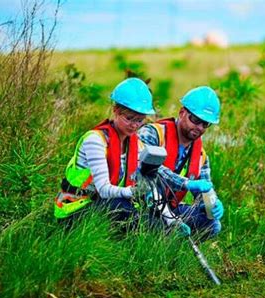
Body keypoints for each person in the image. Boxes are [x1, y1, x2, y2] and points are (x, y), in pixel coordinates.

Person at [54, 77, 155, 230]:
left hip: (104, 204)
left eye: (140, 120)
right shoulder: (95, 140)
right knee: (127, 212)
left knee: (151, 217)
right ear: (115, 111)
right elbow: (103, 189)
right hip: (74, 210)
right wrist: (133, 191)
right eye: (129, 118)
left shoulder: (137, 145)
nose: (135, 125)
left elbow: (160, 174)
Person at [138, 86, 224, 240]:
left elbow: (204, 191)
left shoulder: (201, 156)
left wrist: (212, 202)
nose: (199, 127)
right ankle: (161, 235)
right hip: (141, 204)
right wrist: (186, 184)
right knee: (152, 223)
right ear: (182, 113)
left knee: (213, 224)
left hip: (171, 208)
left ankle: (171, 239)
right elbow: (150, 169)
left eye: (205, 124)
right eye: (196, 120)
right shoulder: (152, 133)